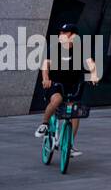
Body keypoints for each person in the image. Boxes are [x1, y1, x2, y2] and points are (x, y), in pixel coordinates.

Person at [35, 24, 99, 156]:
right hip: (55, 84)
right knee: (57, 99)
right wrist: (45, 78)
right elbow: (45, 65)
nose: (61, 35)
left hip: (72, 85)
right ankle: (44, 123)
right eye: (60, 33)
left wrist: (94, 74)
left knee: (74, 111)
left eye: (65, 33)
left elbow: (90, 63)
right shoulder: (54, 47)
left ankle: (69, 145)